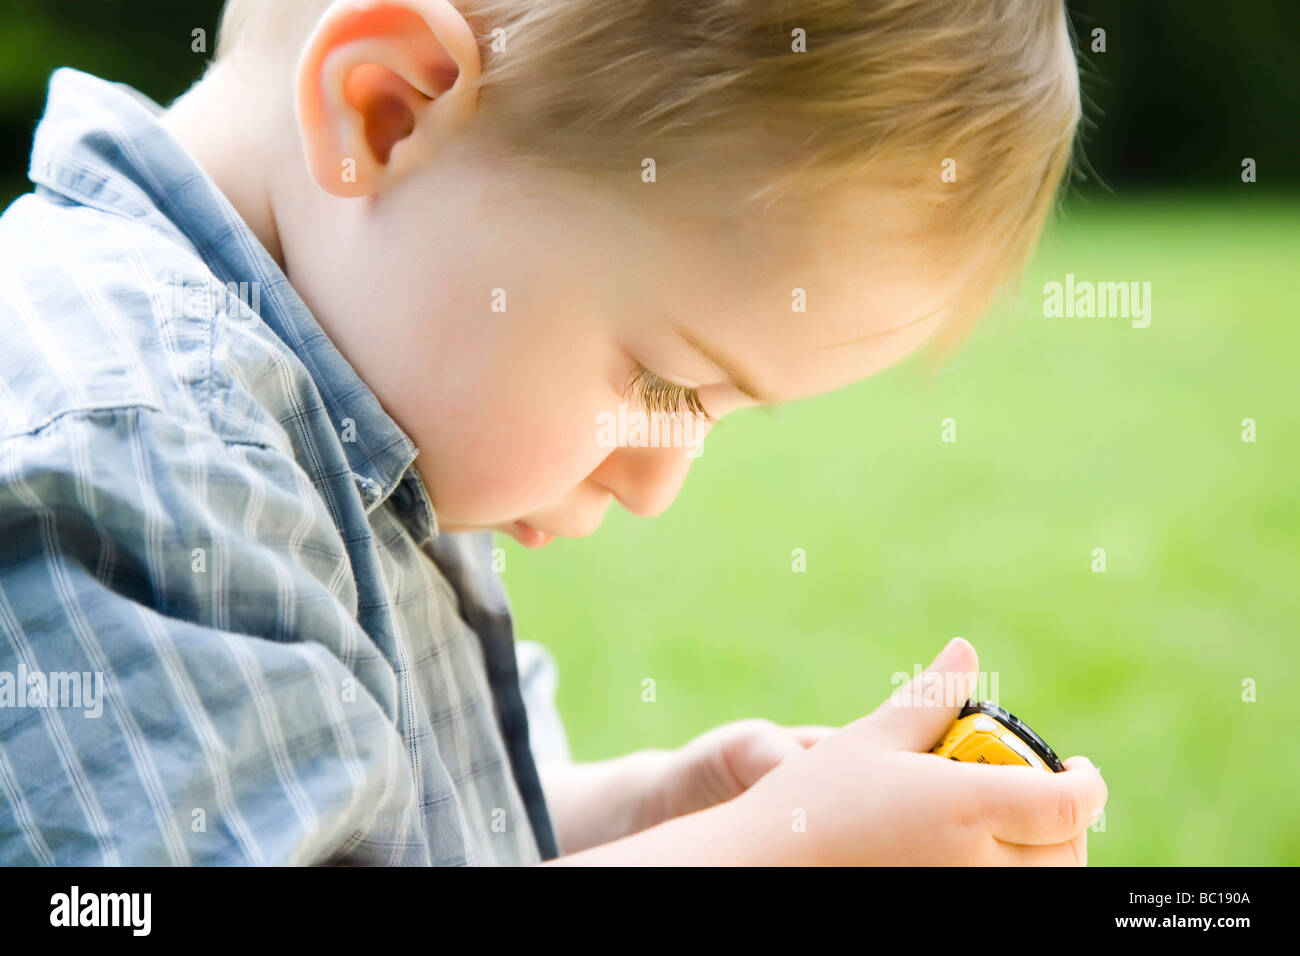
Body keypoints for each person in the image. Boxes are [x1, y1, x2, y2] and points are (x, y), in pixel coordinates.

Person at [0, 0, 1105, 865]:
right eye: (667, 378)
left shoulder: (365, 394)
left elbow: (385, 826)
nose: (658, 481)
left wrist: (655, 810)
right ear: (384, 110)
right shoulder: (132, 445)